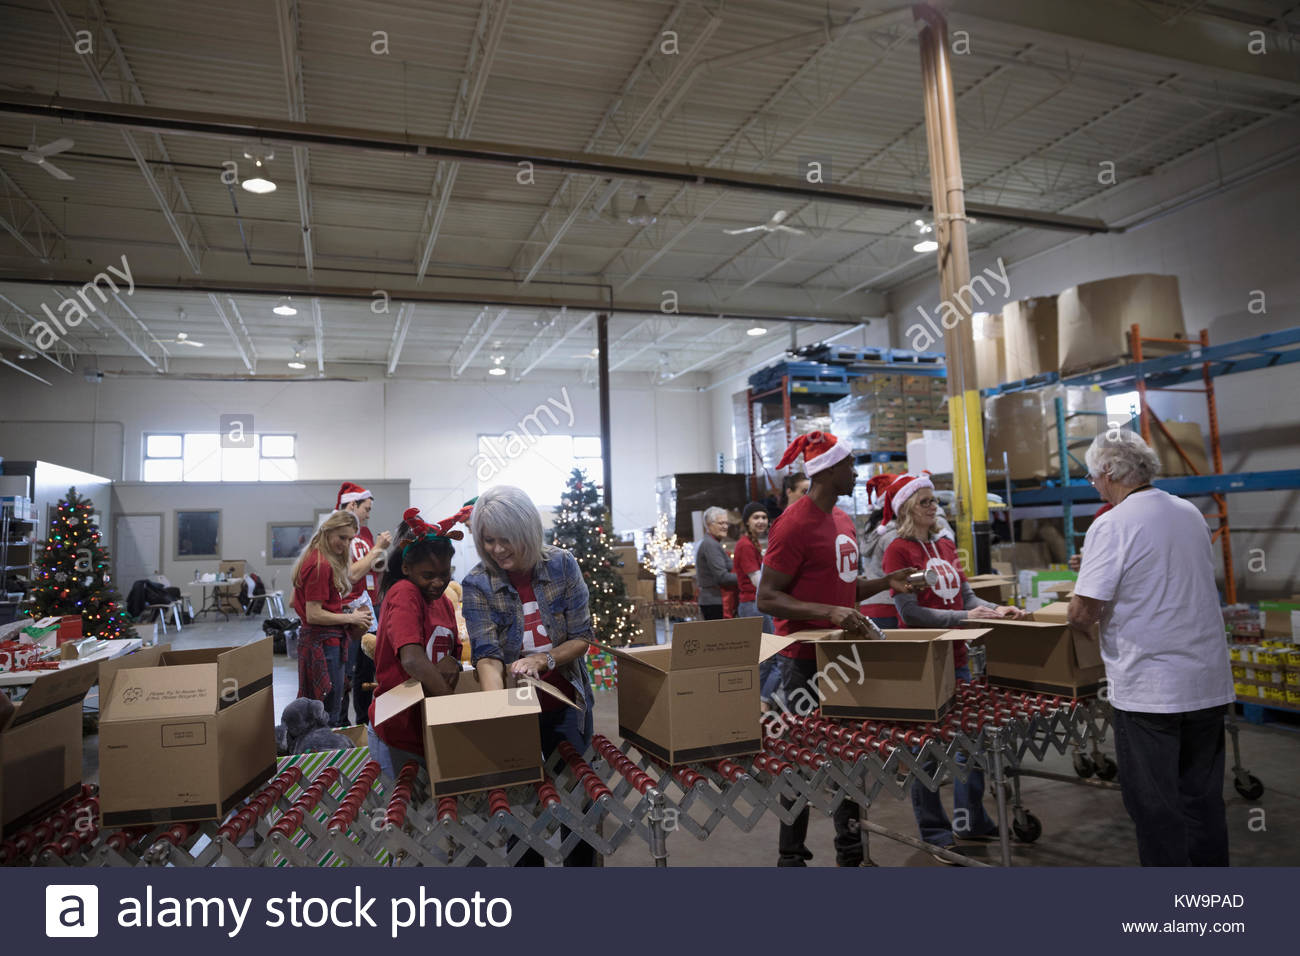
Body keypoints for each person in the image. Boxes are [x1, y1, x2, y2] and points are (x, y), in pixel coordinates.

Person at [1068, 430, 1232, 866]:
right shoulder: (1189, 513)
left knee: (1156, 809)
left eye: (1092, 478)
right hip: (1207, 681)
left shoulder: (1111, 523)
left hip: (1151, 690)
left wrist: (1081, 607)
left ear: (1108, 472)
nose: (1095, 486)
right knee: (1202, 801)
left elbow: (1083, 612)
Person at [757, 431, 917, 867]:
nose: (856, 472)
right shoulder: (792, 523)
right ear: (826, 470)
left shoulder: (843, 520)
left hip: (845, 657)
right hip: (804, 663)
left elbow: (845, 592)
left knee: (850, 754)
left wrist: (886, 582)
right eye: (849, 465)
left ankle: (851, 852)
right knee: (802, 756)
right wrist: (827, 612)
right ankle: (791, 857)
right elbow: (767, 597)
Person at [881, 472, 1025, 859]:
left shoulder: (944, 546)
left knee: (971, 743)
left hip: (958, 657)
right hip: (924, 659)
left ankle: (971, 819)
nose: (935, 508)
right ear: (909, 507)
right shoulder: (898, 551)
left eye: (935, 502)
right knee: (926, 750)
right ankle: (933, 827)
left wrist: (997, 609)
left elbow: (966, 594)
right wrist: (965, 618)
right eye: (927, 501)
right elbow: (909, 613)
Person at [462, 485, 596, 867]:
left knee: (576, 796)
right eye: (489, 541)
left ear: (527, 533)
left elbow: (582, 638)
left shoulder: (562, 564)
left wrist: (545, 660)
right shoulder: (477, 584)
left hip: (566, 698)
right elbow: (487, 656)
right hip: (518, 704)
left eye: (507, 540)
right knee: (521, 802)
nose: (498, 550)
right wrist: (498, 709)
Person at [366, 506, 469, 778]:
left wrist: (454, 663)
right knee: (402, 814)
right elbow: (412, 658)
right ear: (406, 568)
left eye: (445, 574)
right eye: (428, 576)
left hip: (426, 729)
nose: (438, 582)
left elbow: (452, 653)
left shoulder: (444, 603)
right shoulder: (404, 593)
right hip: (398, 729)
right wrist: (452, 708)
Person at [291, 510, 373, 725]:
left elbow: (296, 602)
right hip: (323, 645)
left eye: (350, 539)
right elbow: (313, 614)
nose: (345, 544)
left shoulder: (316, 559)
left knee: (318, 708)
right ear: (327, 533)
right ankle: (329, 756)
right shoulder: (321, 566)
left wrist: (342, 610)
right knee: (329, 711)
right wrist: (351, 618)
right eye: (341, 537)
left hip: (322, 642)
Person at [337, 482, 393, 725]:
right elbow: (350, 574)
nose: (369, 514)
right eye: (366, 509)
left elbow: (374, 567)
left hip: (370, 605)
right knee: (344, 674)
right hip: (348, 609)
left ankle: (363, 720)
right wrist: (377, 549)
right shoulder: (339, 533)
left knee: (366, 670)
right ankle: (339, 724)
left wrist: (383, 554)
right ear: (352, 504)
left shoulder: (366, 533)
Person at [695, 506, 737, 621]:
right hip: (714, 601)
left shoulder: (714, 543)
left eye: (726, 523)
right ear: (709, 524)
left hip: (715, 600)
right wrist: (746, 578)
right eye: (721, 523)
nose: (725, 527)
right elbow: (722, 577)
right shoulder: (710, 545)